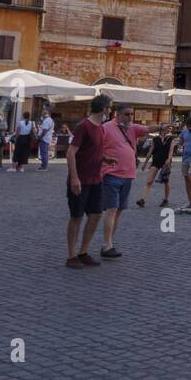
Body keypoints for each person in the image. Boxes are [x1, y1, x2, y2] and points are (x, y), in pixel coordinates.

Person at [98, 102, 149, 259]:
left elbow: (147, 129)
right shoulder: (106, 128)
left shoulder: (132, 128)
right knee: (111, 209)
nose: (130, 117)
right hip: (112, 174)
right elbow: (96, 147)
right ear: (117, 114)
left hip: (128, 175)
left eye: (131, 114)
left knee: (118, 210)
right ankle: (107, 246)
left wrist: (161, 126)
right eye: (127, 114)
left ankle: (109, 242)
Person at [65, 96, 108, 268]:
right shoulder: (84, 126)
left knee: (96, 215)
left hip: (96, 179)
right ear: (104, 108)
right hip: (81, 180)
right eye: (109, 108)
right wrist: (75, 178)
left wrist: (106, 159)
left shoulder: (101, 128)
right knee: (76, 217)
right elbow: (70, 153)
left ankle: (83, 251)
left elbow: (92, 151)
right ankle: (71, 255)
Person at [137, 122, 178, 208]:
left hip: (165, 162)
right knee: (149, 181)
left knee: (166, 182)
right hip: (155, 161)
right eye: (167, 127)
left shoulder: (171, 139)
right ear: (161, 128)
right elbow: (150, 152)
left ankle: (166, 199)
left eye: (169, 128)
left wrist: (169, 159)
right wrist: (145, 163)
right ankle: (142, 199)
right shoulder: (155, 139)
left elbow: (171, 151)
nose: (168, 129)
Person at [37, 106, 55, 171]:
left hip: (44, 138)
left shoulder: (46, 121)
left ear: (44, 114)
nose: (41, 115)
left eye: (42, 114)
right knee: (44, 152)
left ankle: (44, 166)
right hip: (47, 138)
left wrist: (40, 137)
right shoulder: (50, 120)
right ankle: (44, 165)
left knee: (43, 152)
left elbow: (44, 130)